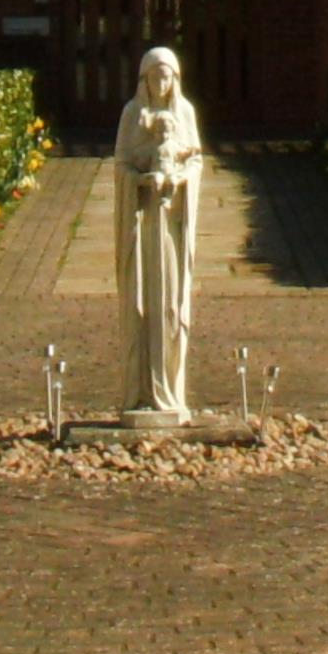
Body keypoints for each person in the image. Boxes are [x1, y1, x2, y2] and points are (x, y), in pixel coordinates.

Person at [114, 43, 203, 424]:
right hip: (141, 220)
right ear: (144, 79)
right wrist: (138, 180)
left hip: (171, 223)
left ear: (175, 79)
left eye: (167, 77)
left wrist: (179, 179)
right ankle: (139, 392)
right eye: (155, 77)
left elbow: (195, 160)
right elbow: (121, 162)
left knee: (170, 305)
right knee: (140, 304)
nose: (161, 84)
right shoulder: (132, 114)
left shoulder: (185, 112)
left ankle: (170, 390)